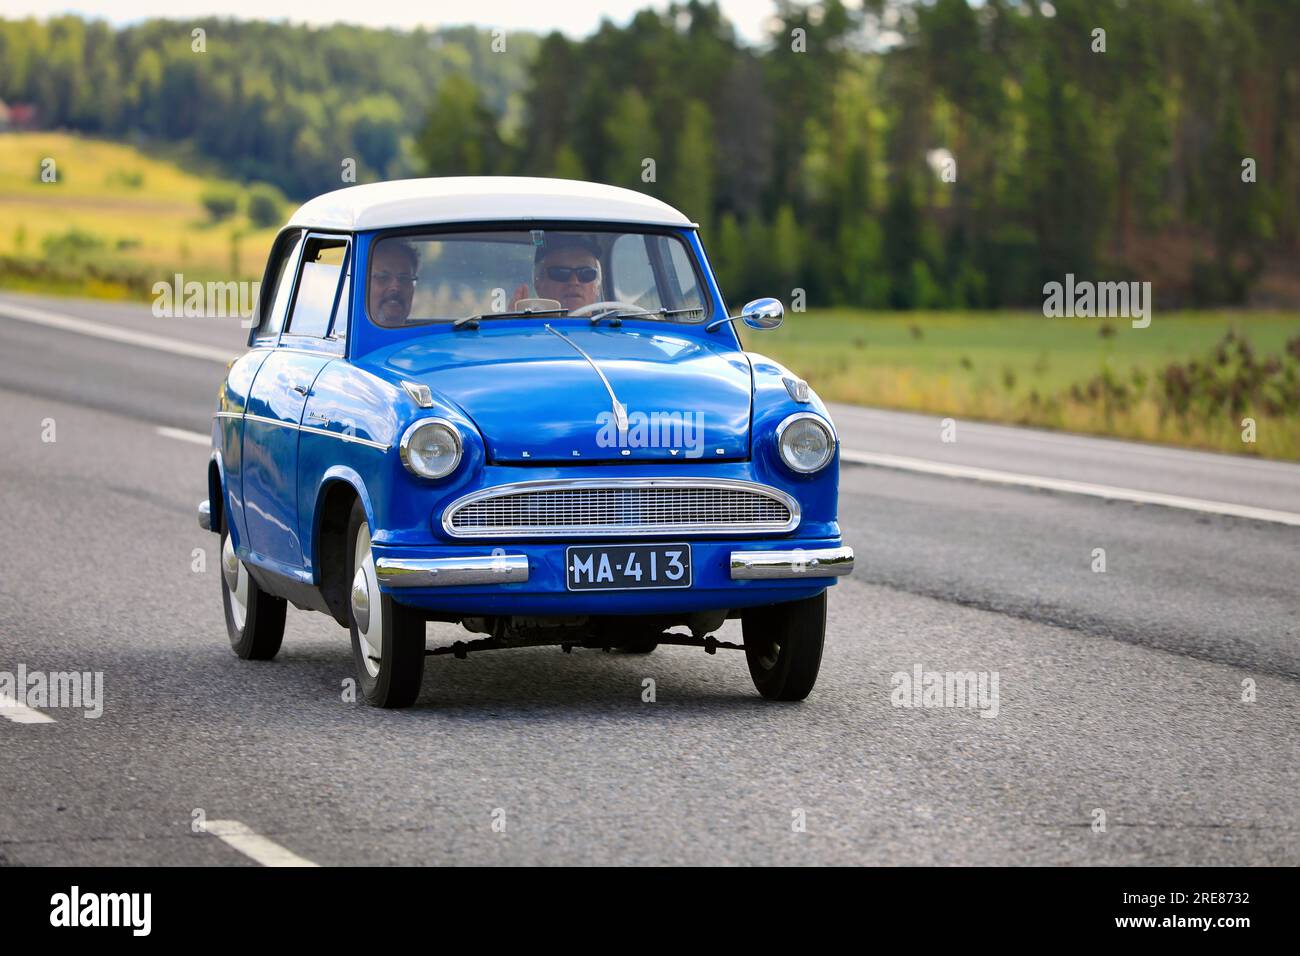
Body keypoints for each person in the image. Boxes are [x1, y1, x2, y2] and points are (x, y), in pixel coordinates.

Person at [512, 236, 603, 313]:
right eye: (561, 273)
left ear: (597, 286)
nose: (574, 281)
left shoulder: (614, 327)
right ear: (539, 283)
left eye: (586, 273)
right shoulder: (525, 331)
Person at [369, 240, 418, 324]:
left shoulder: (432, 336)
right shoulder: (347, 334)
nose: (395, 287)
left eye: (404, 279)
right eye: (383, 277)